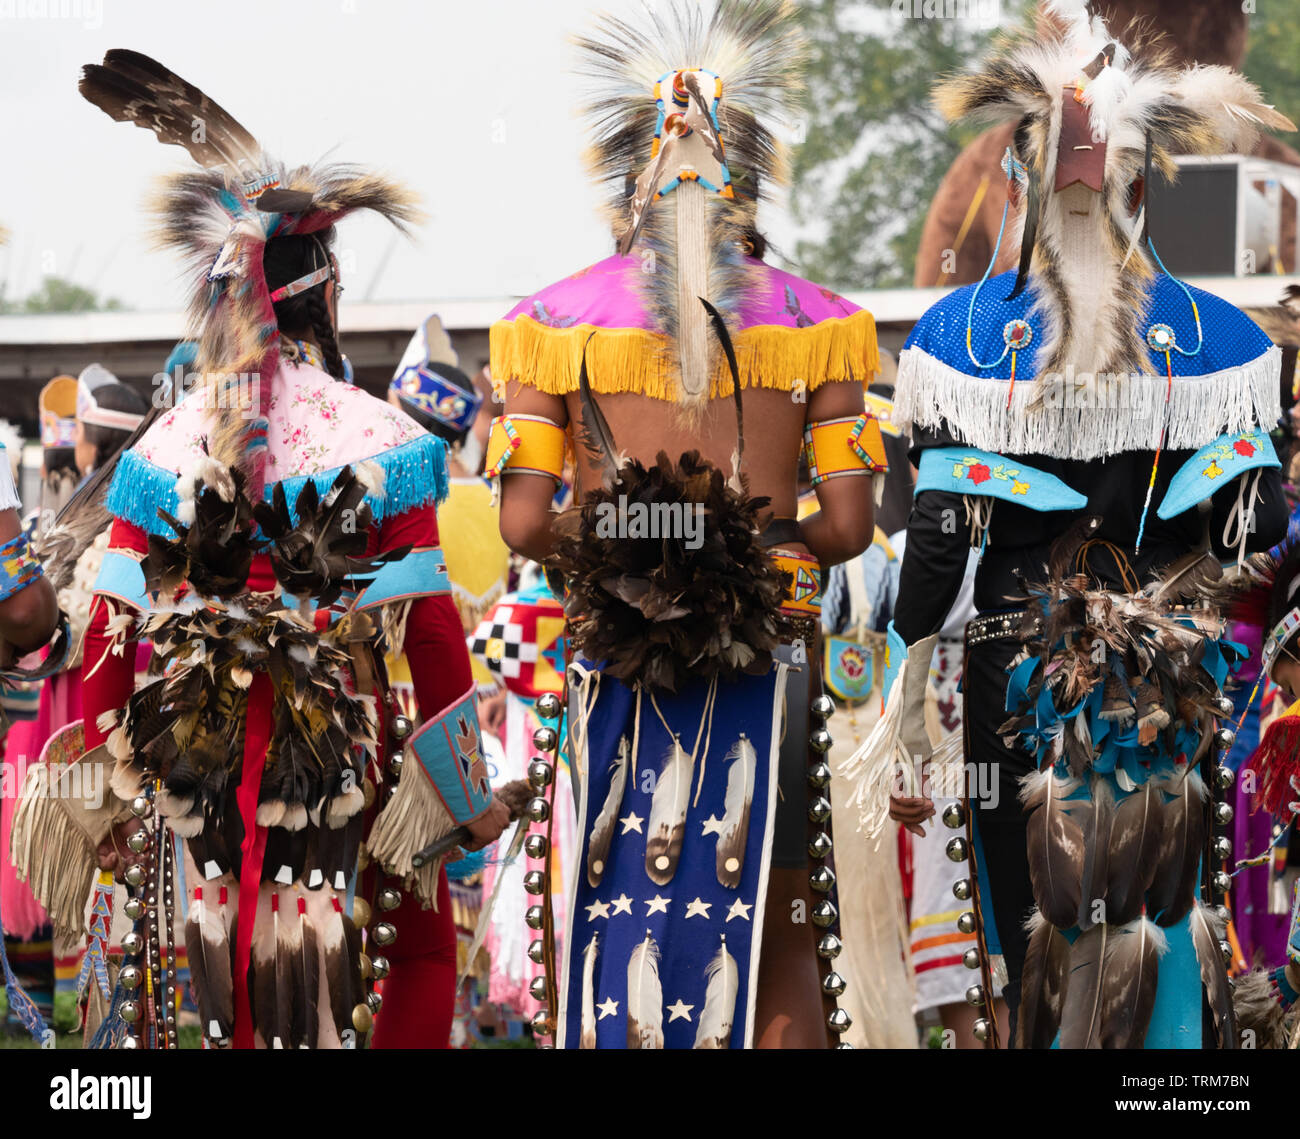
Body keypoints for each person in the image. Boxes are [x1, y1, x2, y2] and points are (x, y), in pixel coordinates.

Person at [11, 50, 509, 1051]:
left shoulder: (161, 448)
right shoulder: (386, 441)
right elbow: (436, 641)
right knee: (412, 953)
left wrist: (113, 774)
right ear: (320, 296)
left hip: (203, 768)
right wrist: (458, 796)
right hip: (348, 750)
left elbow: (110, 635)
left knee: (242, 975)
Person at [845, 1, 1294, 1048]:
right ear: (1141, 182)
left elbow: (938, 548)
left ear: (1016, 176)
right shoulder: (1211, 341)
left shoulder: (962, 338)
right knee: (1154, 932)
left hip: (1016, 689)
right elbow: (1256, 520)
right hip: (1159, 687)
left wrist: (904, 724)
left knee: (1042, 951)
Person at [489, 0, 883, 1049]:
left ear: (630, 189)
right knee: (785, 920)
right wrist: (740, 548)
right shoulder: (825, 324)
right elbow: (847, 525)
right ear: (748, 186)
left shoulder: (544, 326)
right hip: (774, 647)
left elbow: (525, 523)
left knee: (621, 902)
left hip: (617, 653)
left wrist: (637, 550)